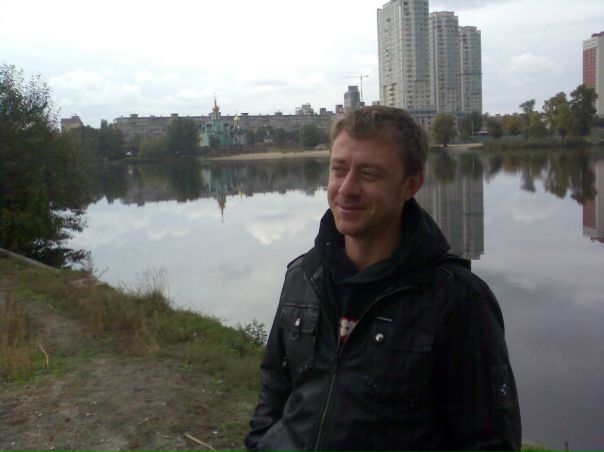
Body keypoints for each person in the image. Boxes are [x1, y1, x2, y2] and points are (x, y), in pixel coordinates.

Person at [245, 106, 521, 452]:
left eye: (369, 174)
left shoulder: (458, 300)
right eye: (339, 169)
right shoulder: (303, 276)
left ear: (410, 185)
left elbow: (490, 441)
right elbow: (274, 386)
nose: (346, 189)